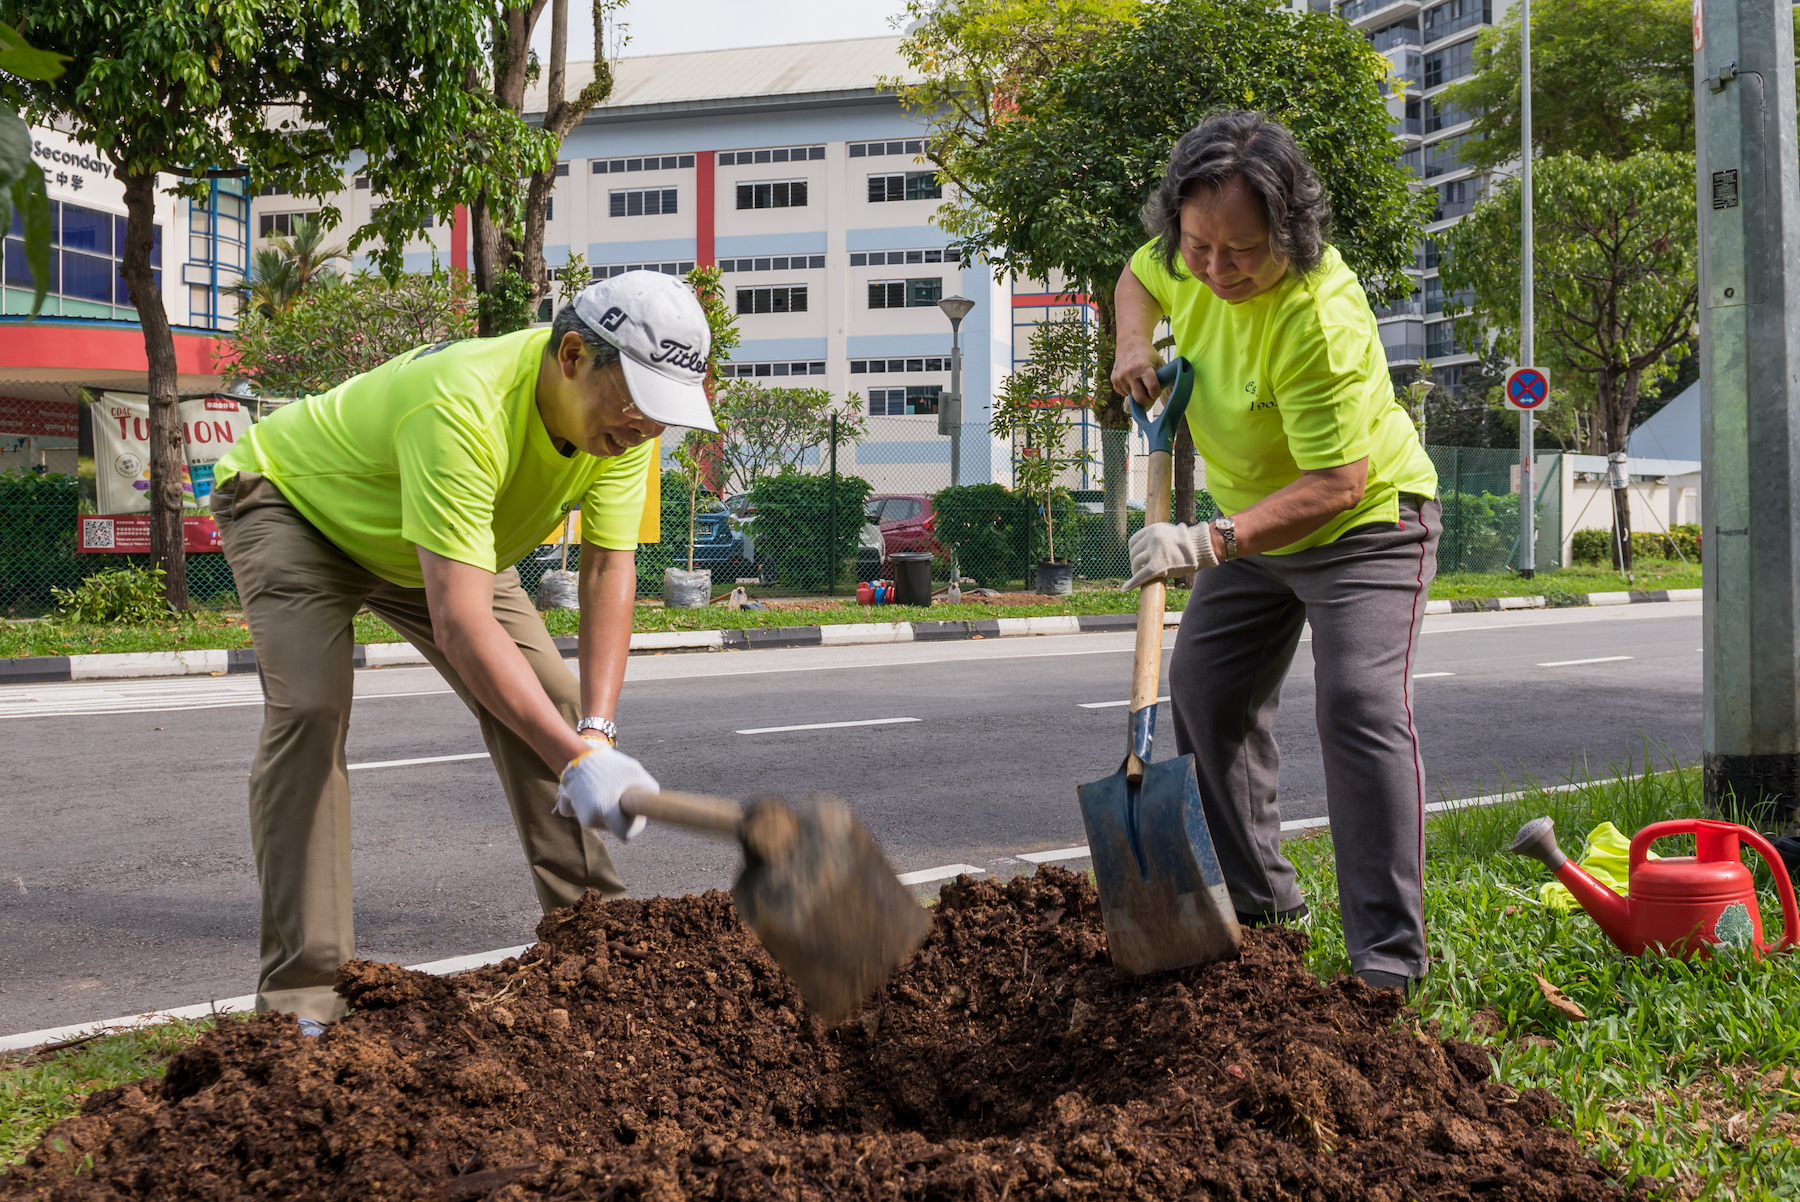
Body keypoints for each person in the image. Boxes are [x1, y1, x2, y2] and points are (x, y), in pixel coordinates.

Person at [212, 271, 710, 1030]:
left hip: (432, 543)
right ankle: (301, 1002)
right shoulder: (463, 402)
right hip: (296, 507)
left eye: (664, 414)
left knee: (562, 707)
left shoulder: (625, 429)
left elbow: (610, 569)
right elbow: (461, 621)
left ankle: (601, 953)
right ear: (572, 354)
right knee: (310, 712)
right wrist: (573, 763)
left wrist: (596, 736)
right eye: (640, 402)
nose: (649, 430)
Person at [1112, 112, 1441, 992]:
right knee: (1207, 689)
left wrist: (1208, 539)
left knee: (1360, 707)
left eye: (1241, 252)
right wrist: (1133, 342)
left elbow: (1337, 481)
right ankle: (1260, 902)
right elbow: (1137, 278)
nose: (1215, 271)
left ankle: (1387, 964)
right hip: (1258, 526)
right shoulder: (1187, 260)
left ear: (1288, 234)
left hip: (1367, 525)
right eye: (1197, 246)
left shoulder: (1318, 318)